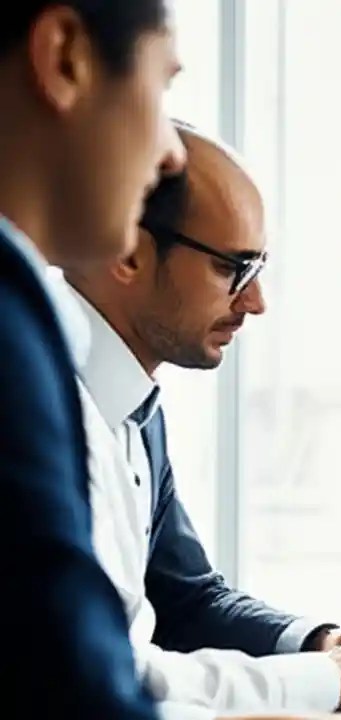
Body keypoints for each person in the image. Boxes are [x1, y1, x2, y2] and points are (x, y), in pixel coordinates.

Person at [63, 121, 341, 719]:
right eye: (233, 268)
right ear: (128, 253)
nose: (255, 301)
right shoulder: (48, 408)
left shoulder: (133, 407)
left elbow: (184, 601)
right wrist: (337, 679)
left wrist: (325, 645)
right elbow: (102, 677)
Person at [0, 1, 184, 716]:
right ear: (66, 57)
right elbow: (73, 691)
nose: (172, 154)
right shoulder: (12, 321)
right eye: (163, 84)